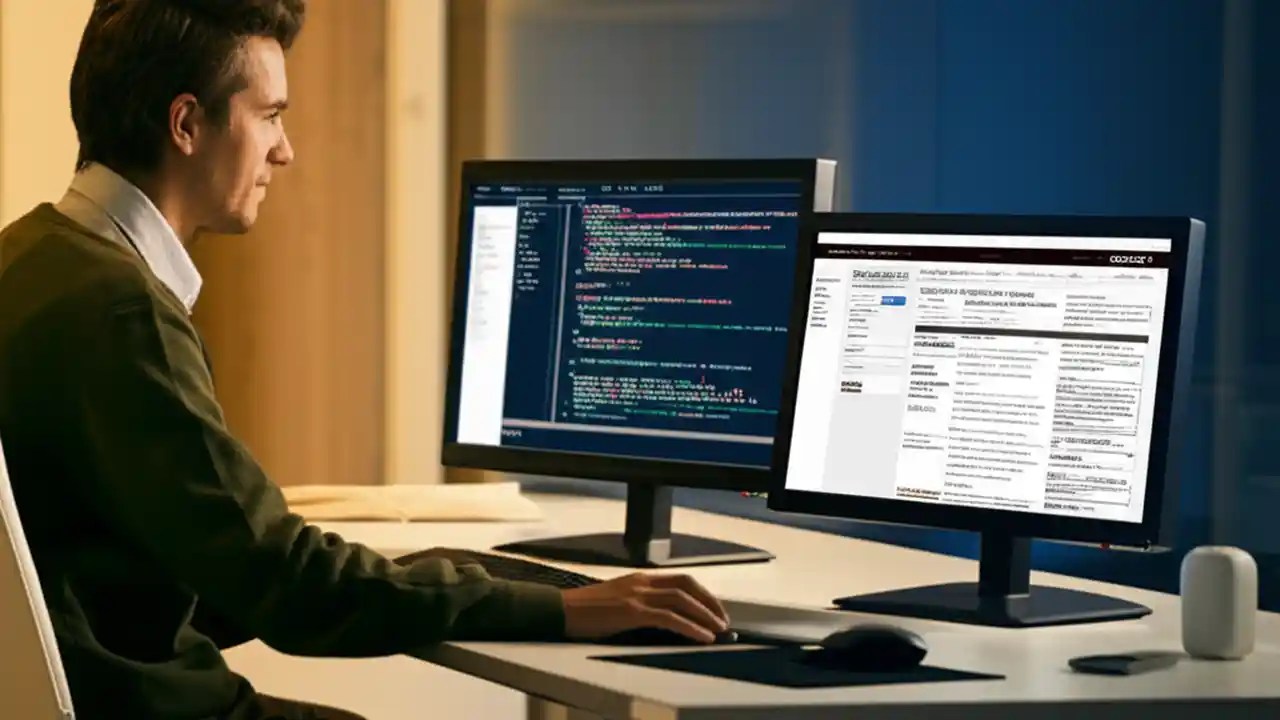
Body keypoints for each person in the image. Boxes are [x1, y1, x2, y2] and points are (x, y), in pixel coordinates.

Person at [0, 1, 729, 718]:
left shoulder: (28, 259)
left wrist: (420, 582)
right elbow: (286, 585)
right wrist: (564, 609)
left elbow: (192, 560)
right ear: (187, 124)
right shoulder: (125, 314)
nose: (285, 151)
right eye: (272, 116)